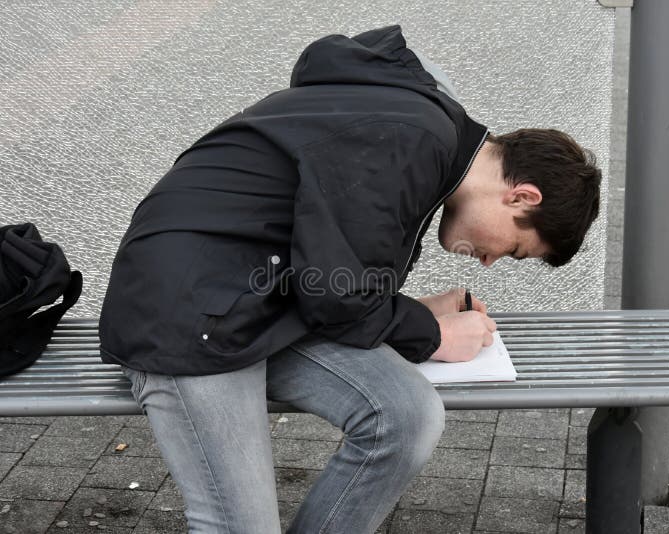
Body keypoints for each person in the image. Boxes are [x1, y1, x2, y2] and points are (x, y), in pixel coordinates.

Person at [99, 25, 601, 534]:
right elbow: (334, 295)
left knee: (406, 416)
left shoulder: (427, 137)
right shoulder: (413, 139)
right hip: (190, 312)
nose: (490, 261)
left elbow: (332, 274)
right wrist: (433, 334)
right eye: (513, 249)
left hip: (262, 301)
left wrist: (416, 313)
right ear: (522, 197)